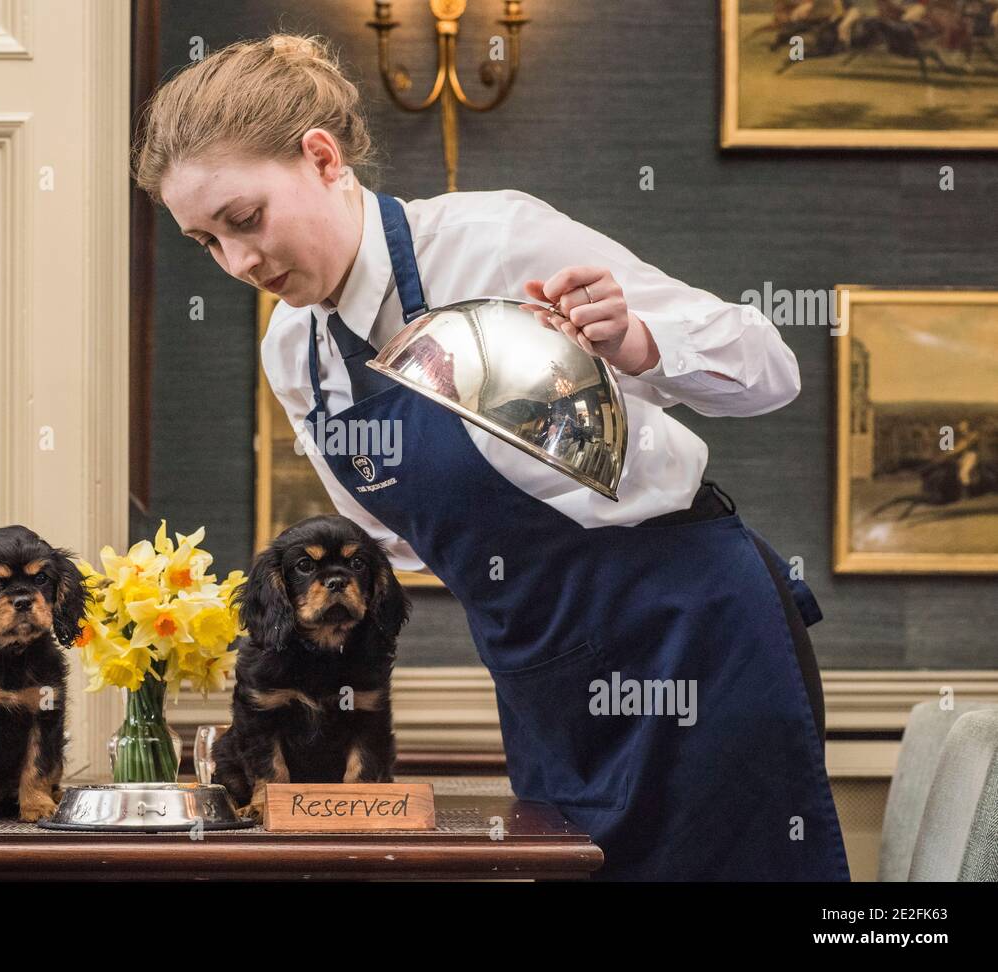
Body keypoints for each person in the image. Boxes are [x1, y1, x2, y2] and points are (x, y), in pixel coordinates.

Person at [131, 33, 849, 881]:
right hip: (540, 679)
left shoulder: (493, 241)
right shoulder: (296, 354)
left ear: (321, 157)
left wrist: (640, 340)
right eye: (207, 242)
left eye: (245, 220)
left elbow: (772, 370)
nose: (239, 262)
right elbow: (397, 543)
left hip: (690, 635)